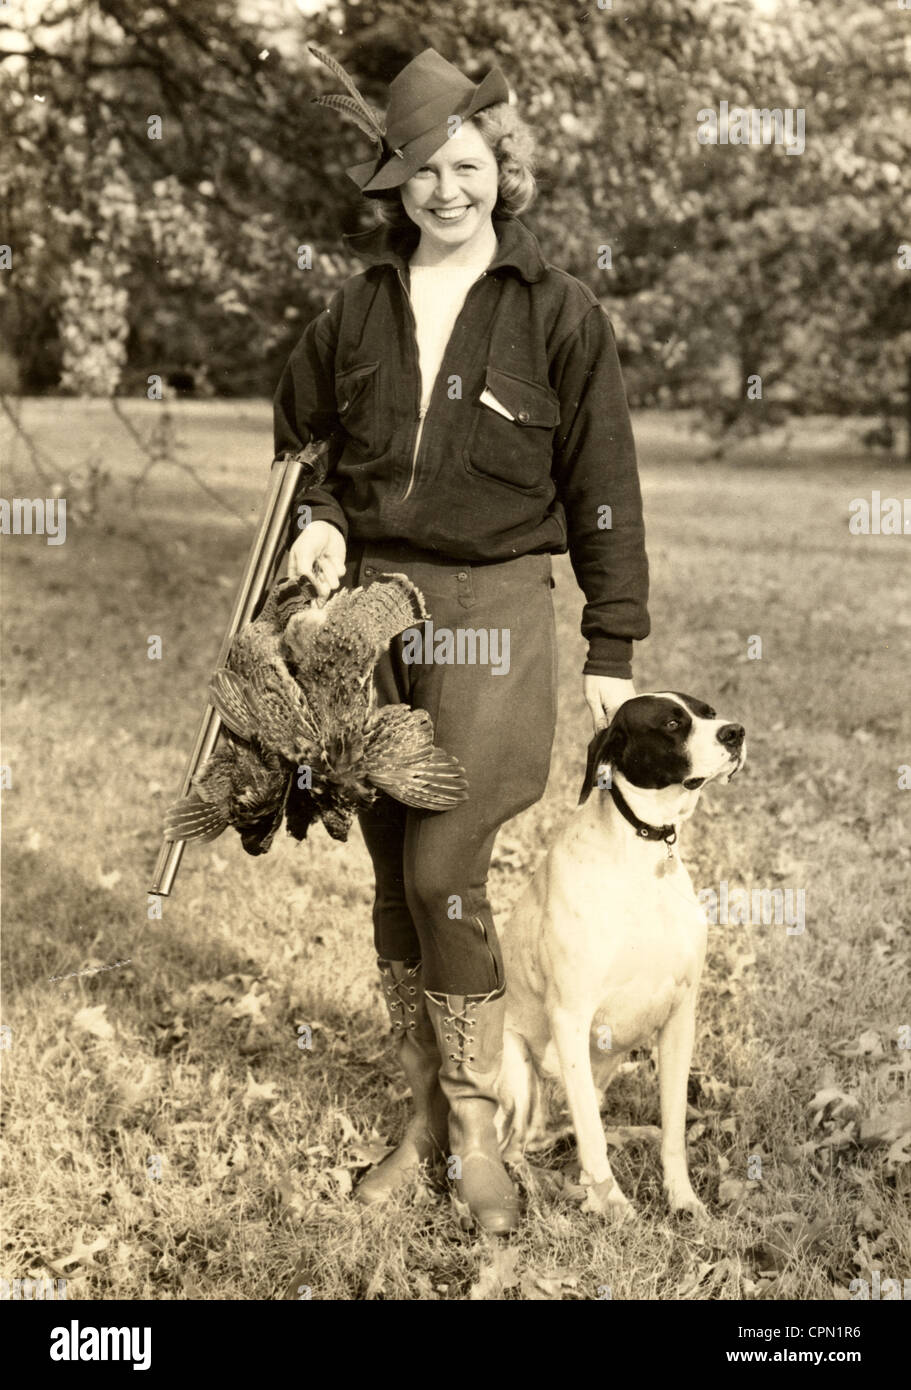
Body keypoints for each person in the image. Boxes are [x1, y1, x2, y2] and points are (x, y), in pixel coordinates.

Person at [272, 46, 650, 1234]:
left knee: (446, 867)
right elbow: (310, 455)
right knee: (392, 874)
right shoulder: (352, 310)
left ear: (505, 171)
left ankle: (478, 1129)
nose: (449, 190)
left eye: (469, 165)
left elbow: (601, 482)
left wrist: (613, 641)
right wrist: (320, 532)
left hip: (493, 611)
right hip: (373, 613)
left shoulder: (557, 310)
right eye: (424, 171)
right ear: (395, 188)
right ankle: (420, 1114)